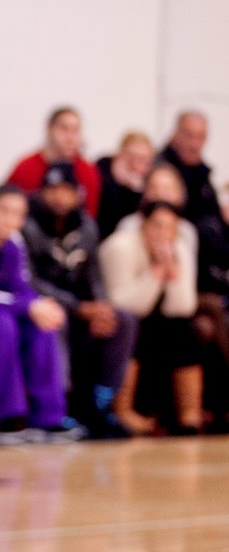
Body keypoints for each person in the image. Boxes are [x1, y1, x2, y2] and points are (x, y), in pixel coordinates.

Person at [0, 185, 83, 442]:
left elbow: (21, 287)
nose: (11, 219)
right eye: (4, 211)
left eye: (18, 214)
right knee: (1, 325)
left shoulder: (14, 241)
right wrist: (29, 307)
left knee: (39, 326)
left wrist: (42, 305)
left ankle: (47, 417)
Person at [22, 163, 138, 436]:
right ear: (40, 193)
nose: (58, 197)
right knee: (55, 319)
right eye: (51, 190)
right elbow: (31, 280)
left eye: (65, 190)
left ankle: (103, 404)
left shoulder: (86, 226)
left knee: (124, 321)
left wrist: (102, 308)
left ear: (77, 194)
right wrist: (77, 307)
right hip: (44, 306)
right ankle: (61, 405)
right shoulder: (27, 226)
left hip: (82, 309)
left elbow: (94, 277)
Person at [100, 200, 205, 433]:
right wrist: (155, 274)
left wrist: (172, 273)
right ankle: (122, 410)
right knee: (130, 326)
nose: (163, 233)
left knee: (186, 330)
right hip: (124, 321)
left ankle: (189, 414)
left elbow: (183, 307)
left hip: (159, 321)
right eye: (157, 225)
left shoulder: (179, 248)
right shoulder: (120, 247)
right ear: (142, 224)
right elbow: (122, 304)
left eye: (170, 227)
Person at [7, 107, 102, 218]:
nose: (70, 137)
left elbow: (90, 218)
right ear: (49, 130)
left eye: (75, 130)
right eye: (64, 129)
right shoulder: (26, 168)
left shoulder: (88, 172)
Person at [96, 131, 154, 239]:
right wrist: (116, 181)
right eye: (131, 156)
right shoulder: (101, 170)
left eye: (142, 159)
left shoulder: (149, 184)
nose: (135, 164)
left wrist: (135, 191)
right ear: (119, 154)